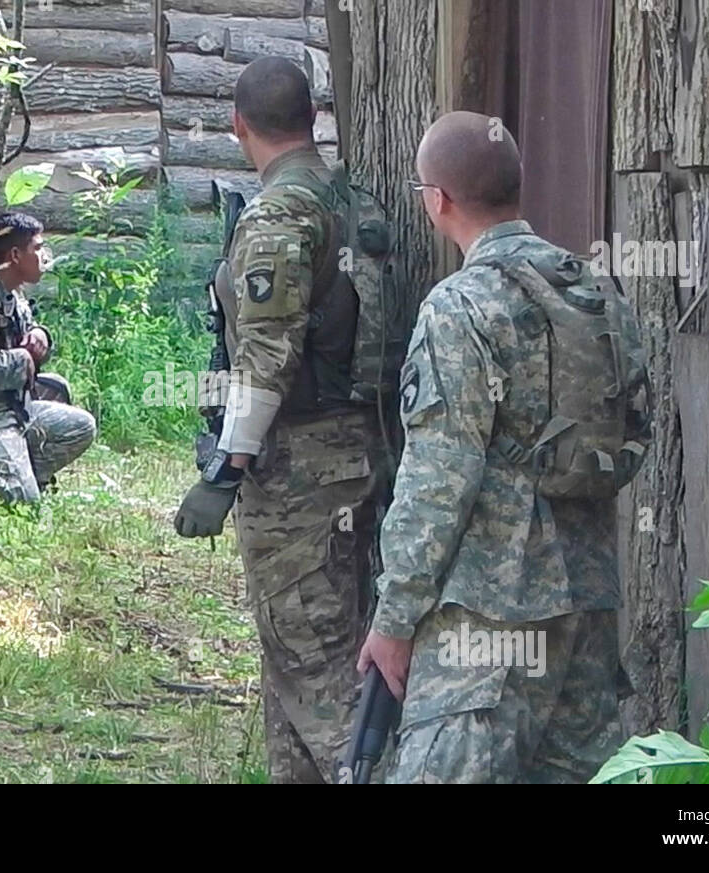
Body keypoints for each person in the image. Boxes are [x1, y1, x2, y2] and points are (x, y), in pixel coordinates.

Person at [357, 110, 650, 783]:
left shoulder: (458, 307)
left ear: (437, 201)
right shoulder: (593, 292)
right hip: (587, 608)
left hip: (485, 626)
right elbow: (636, 426)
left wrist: (395, 617)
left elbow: (438, 478)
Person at [173, 57, 393, 783]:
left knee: (320, 669)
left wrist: (224, 469)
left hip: (300, 470)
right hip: (355, 452)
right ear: (311, 119)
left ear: (239, 126)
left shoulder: (280, 213)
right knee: (296, 655)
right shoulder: (349, 198)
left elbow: (267, 357)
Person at [0, 212, 96, 502]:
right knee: (24, 505)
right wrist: (21, 358)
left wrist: (41, 336)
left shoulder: (14, 295)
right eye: (37, 248)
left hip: (16, 411)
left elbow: (30, 348)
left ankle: (20, 472)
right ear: (15, 255)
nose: (44, 256)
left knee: (81, 426)